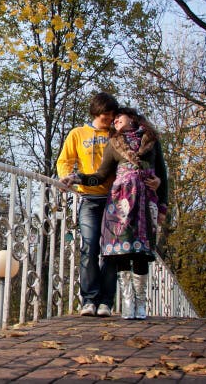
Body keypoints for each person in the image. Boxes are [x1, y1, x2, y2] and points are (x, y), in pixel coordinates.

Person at [66, 107, 168, 319]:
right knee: (121, 251)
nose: (115, 121)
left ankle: (141, 303)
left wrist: (163, 207)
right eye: (114, 120)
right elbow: (101, 175)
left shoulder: (152, 141)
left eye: (119, 117)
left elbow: (162, 175)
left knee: (141, 253)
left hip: (146, 203)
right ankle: (128, 303)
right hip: (120, 205)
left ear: (132, 117)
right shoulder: (114, 144)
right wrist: (77, 178)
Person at [56, 92, 120, 317]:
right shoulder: (78, 133)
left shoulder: (117, 134)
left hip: (115, 199)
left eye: (112, 115)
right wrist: (66, 177)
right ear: (96, 112)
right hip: (90, 198)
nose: (109, 118)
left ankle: (106, 302)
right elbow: (65, 160)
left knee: (112, 251)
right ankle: (90, 300)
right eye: (105, 114)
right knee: (89, 246)